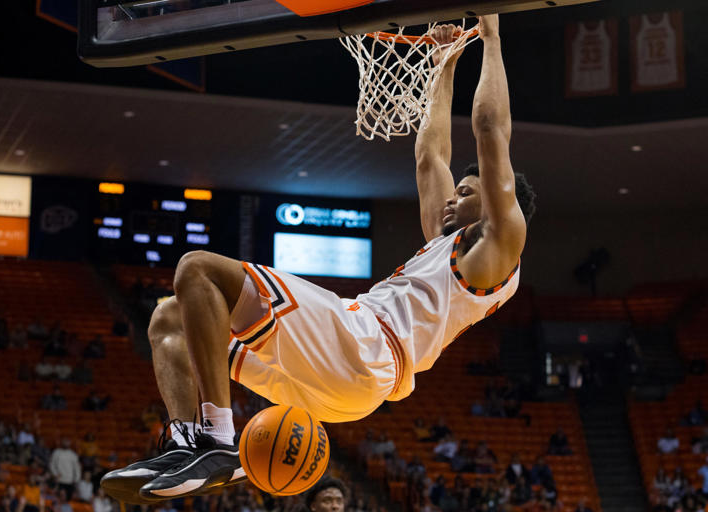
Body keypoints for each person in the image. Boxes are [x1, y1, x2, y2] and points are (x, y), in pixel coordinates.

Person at [102, 14, 534, 502]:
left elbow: (490, 129)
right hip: (346, 384)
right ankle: (186, 445)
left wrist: (492, 36)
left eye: (466, 192)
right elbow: (429, 157)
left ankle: (219, 441)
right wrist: (445, 63)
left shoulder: (498, 247)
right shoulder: (446, 241)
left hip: (366, 346)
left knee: (197, 269)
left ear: (498, 205)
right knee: (170, 318)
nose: (452, 197)